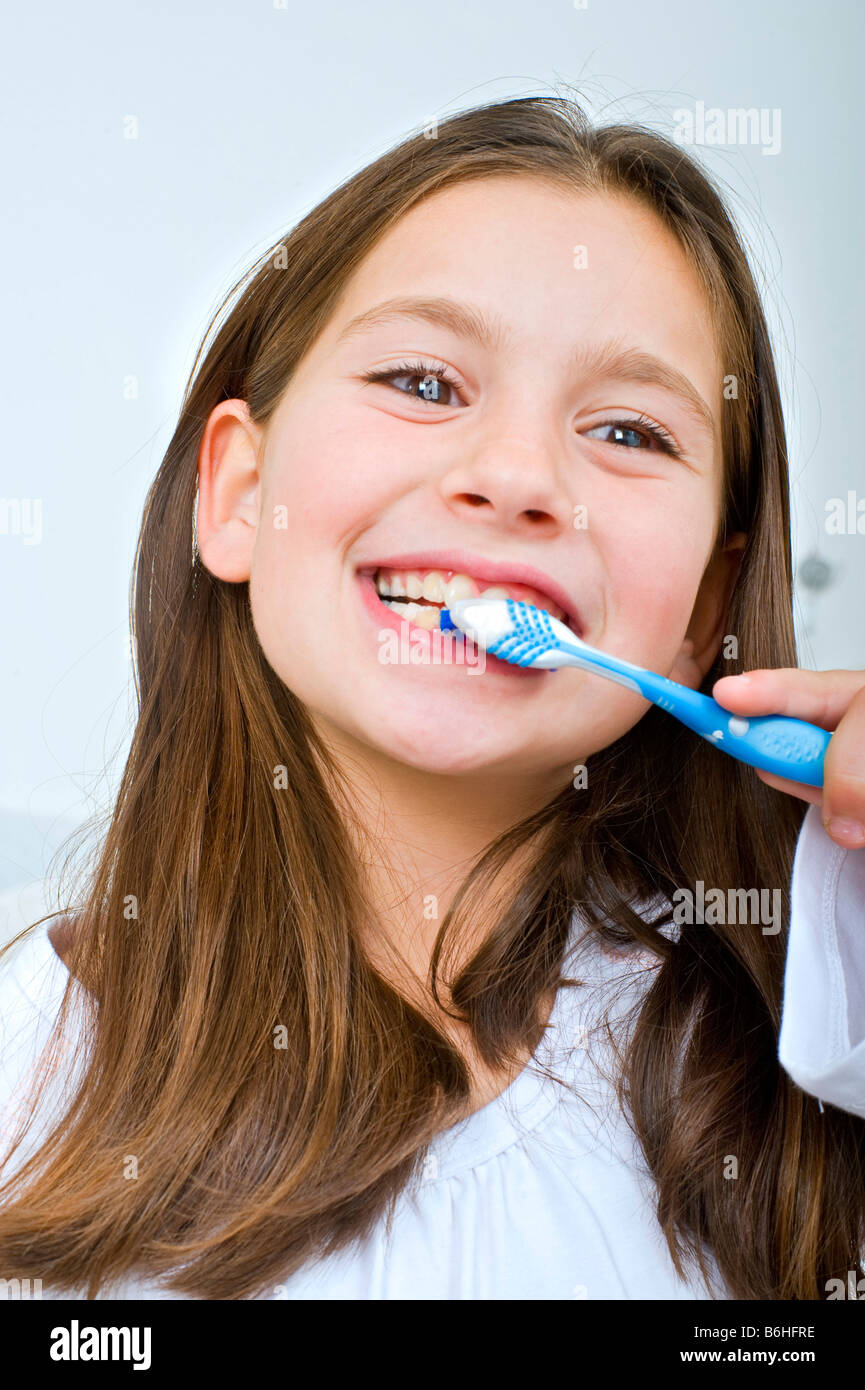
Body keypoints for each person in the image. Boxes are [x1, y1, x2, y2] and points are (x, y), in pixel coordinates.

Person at [1, 94, 864, 1301]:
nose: (516, 477)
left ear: (703, 613)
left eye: (627, 429)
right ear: (242, 493)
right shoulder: (23, 1073)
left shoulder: (818, 1035)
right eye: (422, 380)